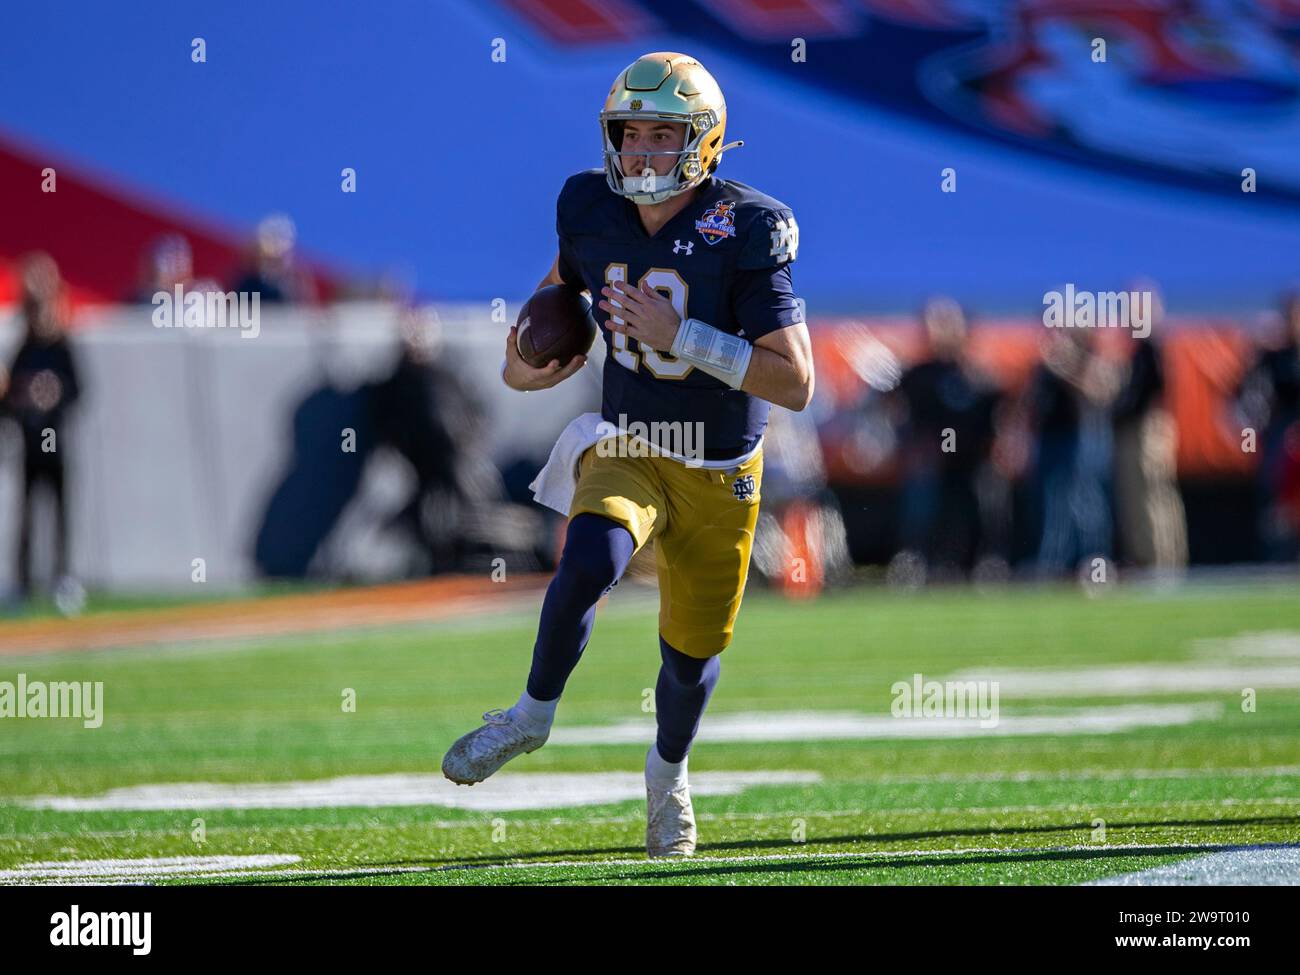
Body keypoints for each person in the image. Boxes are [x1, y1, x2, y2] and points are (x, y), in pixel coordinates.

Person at [440, 52, 813, 858]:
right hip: (631, 443)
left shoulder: (747, 226)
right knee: (587, 559)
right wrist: (524, 363)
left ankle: (667, 773)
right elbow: (552, 307)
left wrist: (685, 338)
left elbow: (796, 381)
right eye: (630, 134)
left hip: (720, 468)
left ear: (705, 142)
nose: (642, 153)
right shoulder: (587, 205)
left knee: (688, 661)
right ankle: (530, 714)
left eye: (663, 135)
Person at [2, 253, 82, 599]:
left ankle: (62, 576)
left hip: (55, 443)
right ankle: (23, 581)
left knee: (60, 513)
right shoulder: (24, 348)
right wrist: (17, 396)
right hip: (30, 444)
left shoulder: (62, 347)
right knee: (28, 516)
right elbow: (8, 399)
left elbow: (79, 390)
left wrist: (54, 396)